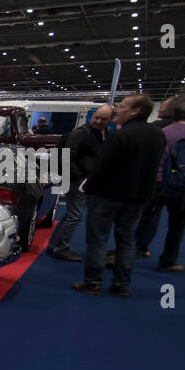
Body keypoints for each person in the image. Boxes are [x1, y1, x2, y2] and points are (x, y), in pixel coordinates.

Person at [71, 94, 165, 297]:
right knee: (127, 240)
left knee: (98, 240)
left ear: (135, 111)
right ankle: (122, 284)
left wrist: (88, 188)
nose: (117, 110)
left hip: (108, 195)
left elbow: (101, 167)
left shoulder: (119, 136)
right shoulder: (158, 135)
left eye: (122, 106)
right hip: (138, 196)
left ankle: (93, 282)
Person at [135, 94, 185, 273]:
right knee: (177, 225)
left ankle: (135, 251)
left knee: (146, 219)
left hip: (156, 181)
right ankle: (167, 261)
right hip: (180, 185)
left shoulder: (162, 131)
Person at [48, 104, 111, 261]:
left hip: (85, 179)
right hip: (77, 180)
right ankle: (61, 247)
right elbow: (67, 156)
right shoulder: (82, 133)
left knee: (71, 213)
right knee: (75, 214)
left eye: (103, 119)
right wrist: (78, 176)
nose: (98, 121)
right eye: (96, 117)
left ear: (109, 120)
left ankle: (55, 245)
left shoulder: (103, 134)